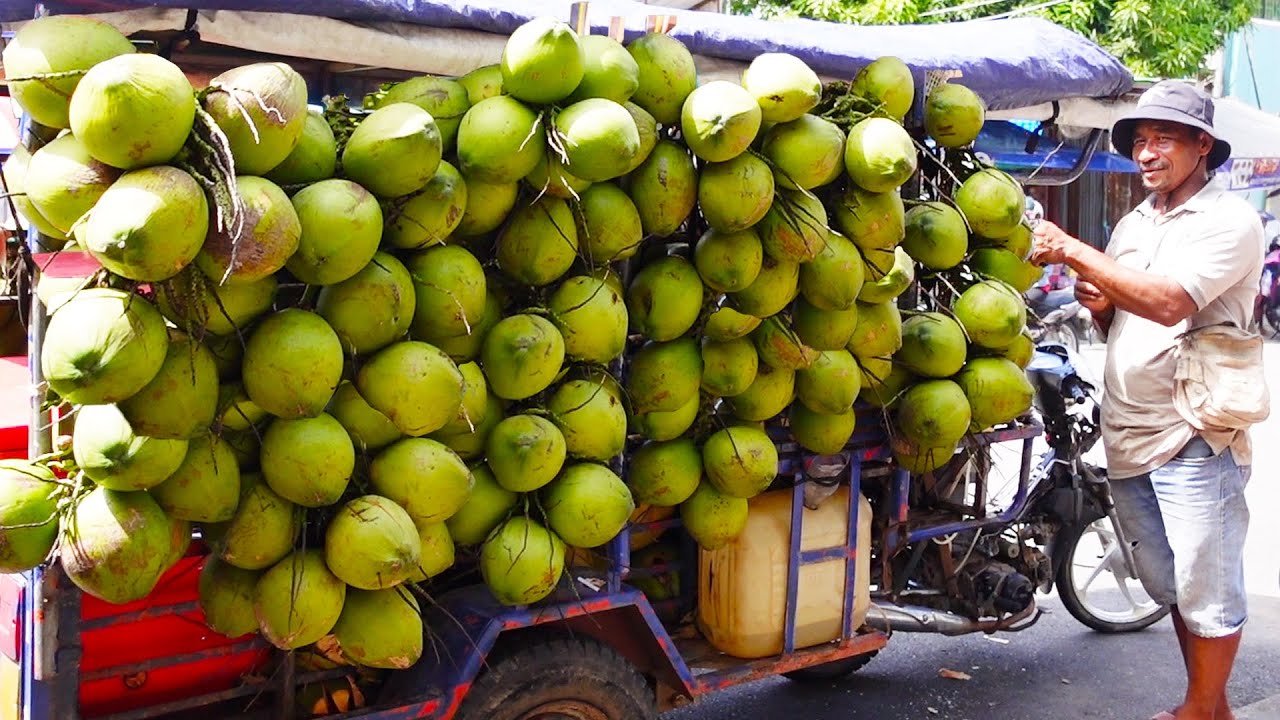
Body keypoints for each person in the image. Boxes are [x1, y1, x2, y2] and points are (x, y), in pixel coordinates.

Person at [1029, 81, 1263, 720]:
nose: (1147, 153)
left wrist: (1072, 247)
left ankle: (1199, 709)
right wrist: (1101, 309)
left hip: (1193, 428)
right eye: (1140, 142)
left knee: (1206, 589)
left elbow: (1167, 303)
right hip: (1129, 429)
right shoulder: (1135, 221)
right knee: (1170, 584)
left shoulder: (1231, 221)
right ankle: (1212, 709)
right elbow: (1128, 313)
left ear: (1202, 146)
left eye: (1164, 139)